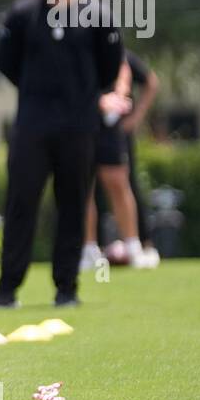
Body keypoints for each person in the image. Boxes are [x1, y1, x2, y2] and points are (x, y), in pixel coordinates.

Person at [0, 0, 122, 308]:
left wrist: (82, 95)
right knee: (21, 204)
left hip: (78, 126)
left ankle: (67, 289)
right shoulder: (21, 13)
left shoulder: (96, 14)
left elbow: (110, 65)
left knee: (74, 205)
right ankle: (6, 290)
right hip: (32, 125)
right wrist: (38, 92)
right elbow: (6, 62)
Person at [83, 48, 161, 269]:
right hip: (82, 122)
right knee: (83, 186)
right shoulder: (74, 45)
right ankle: (88, 249)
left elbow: (140, 77)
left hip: (112, 125)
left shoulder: (114, 47)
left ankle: (136, 246)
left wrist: (131, 112)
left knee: (121, 182)